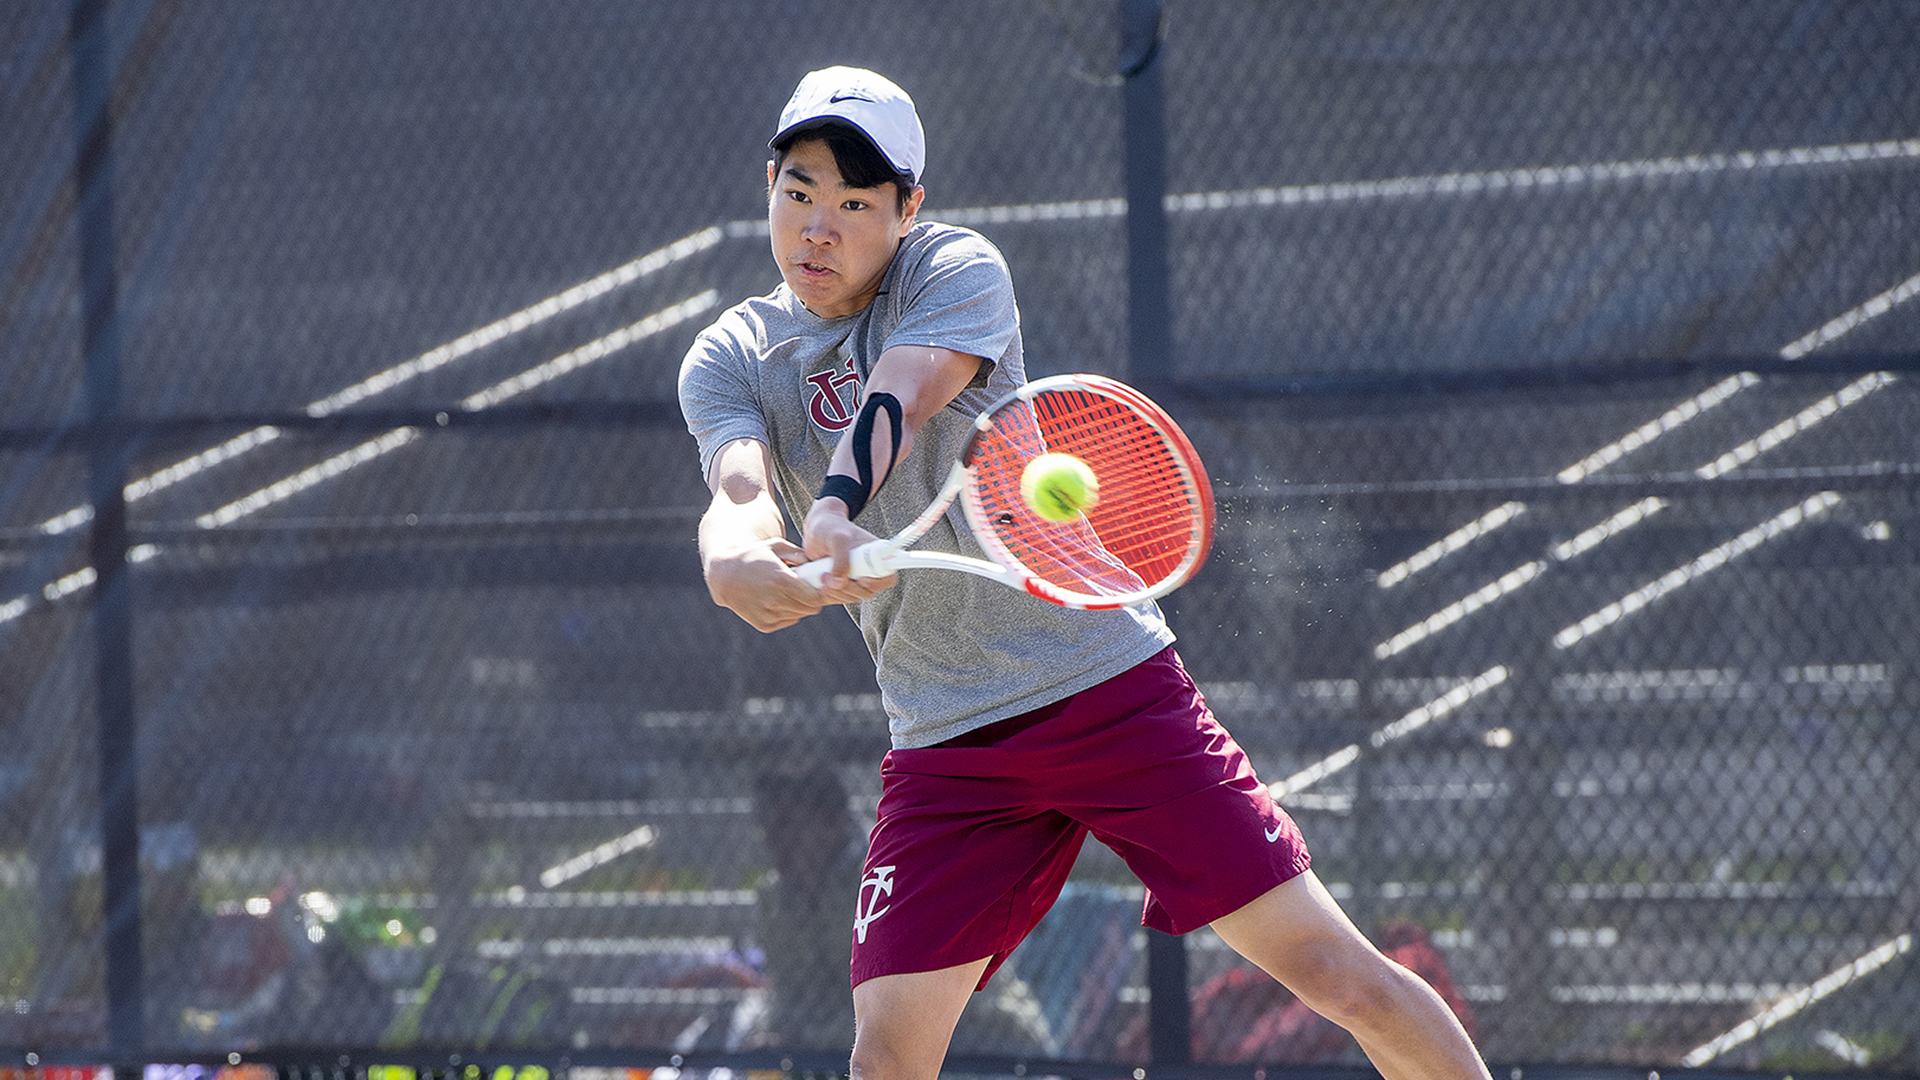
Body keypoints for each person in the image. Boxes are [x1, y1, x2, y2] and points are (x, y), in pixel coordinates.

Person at [677, 65, 1493, 1080]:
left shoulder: (954, 269)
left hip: (1104, 687)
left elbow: (902, 391)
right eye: (798, 195)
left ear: (908, 209)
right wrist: (739, 567)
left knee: (1337, 974)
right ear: (769, 186)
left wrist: (837, 504)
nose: (819, 229)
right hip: (945, 741)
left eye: (854, 204)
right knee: (886, 1054)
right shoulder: (731, 356)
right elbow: (739, 493)